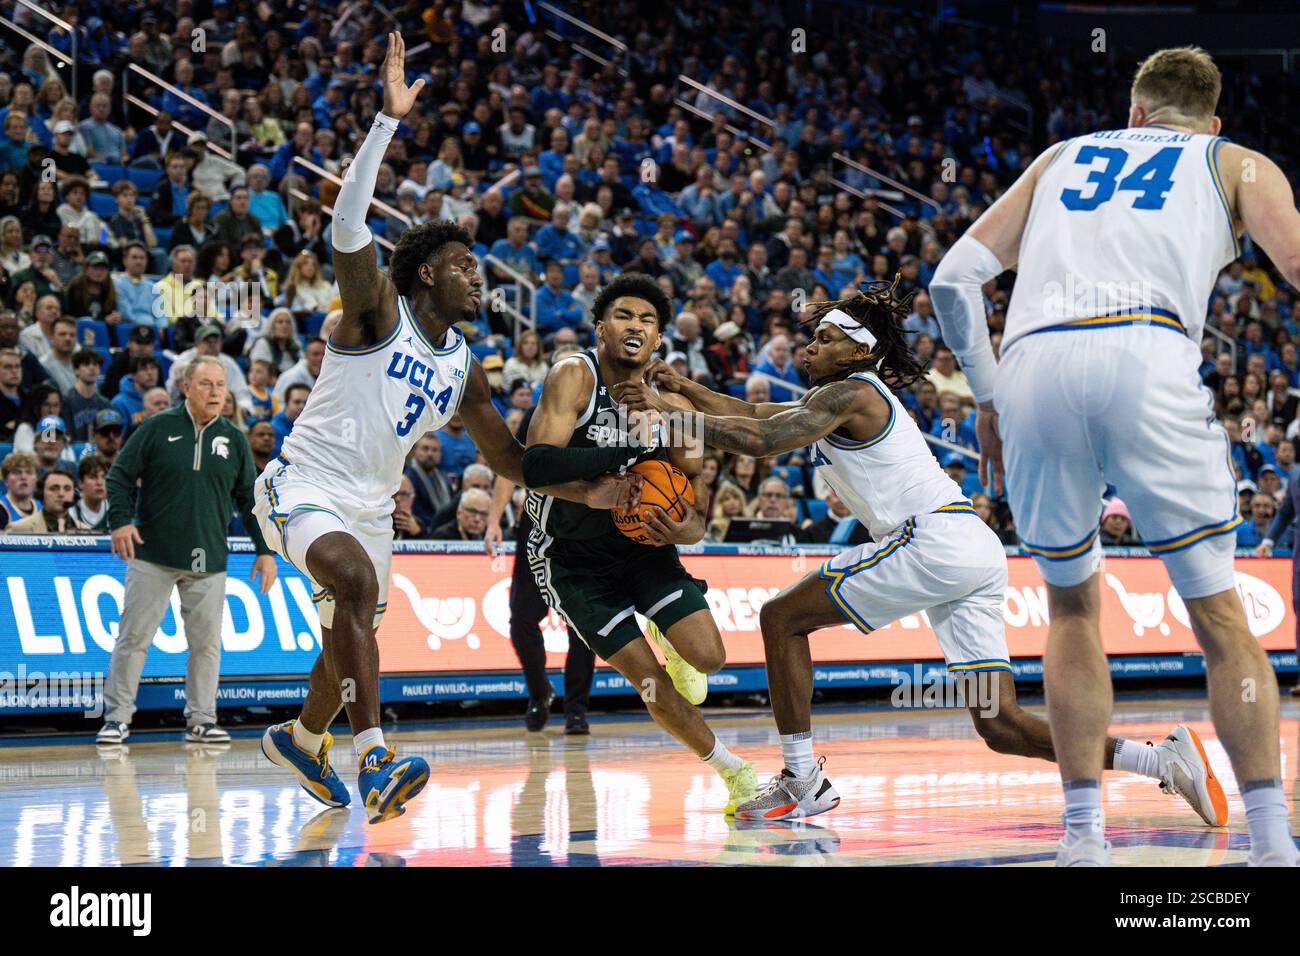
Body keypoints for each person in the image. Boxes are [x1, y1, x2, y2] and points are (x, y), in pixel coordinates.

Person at [615, 276, 1218, 829]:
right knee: (1001, 725)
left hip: (930, 541)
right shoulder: (836, 398)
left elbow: (765, 439)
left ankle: (801, 779)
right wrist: (686, 388)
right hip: (972, 550)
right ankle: (1159, 760)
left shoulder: (850, 393)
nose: (809, 348)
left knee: (780, 619)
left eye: (824, 339)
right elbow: (753, 413)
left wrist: (671, 411)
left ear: (856, 351)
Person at [930, 47, 1300, 866]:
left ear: (1133, 114)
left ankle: (1083, 838)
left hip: (1033, 367)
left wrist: (986, 398)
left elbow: (953, 280)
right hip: (1146, 352)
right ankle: (1272, 842)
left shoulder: (1062, 155)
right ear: (1210, 120)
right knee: (1222, 622)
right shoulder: (1232, 159)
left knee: (1071, 610)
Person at [252, 34, 630, 826]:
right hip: (302, 486)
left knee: (344, 637)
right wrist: (387, 124)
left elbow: (514, 460)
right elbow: (347, 224)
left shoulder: (465, 366)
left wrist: (595, 483)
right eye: (464, 266)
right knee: (353, 589)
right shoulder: (375, 312)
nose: (478, 276)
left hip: (369, 507)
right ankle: (376, 760)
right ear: (426, 272)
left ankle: (300, 736)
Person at [522, 271, 759, 813]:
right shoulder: (573, 375)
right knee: (648, 681)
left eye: (647, 320)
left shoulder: (676, 397)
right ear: (600, 328)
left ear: (658, 340)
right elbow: (535, 466)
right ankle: (735, 773)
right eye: (624, 315)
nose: (635, 325)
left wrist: (685, 530)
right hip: (571, 557)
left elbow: (695, 501)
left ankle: (667, 627)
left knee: (711, 659)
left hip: (645, 545)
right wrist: (600, 481)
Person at [98, 355, 276, 746]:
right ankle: (116, 719)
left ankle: (201, 720)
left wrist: (265, 549)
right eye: (206, 384)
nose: (215, 392)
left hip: (209, 559)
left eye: (221, 385)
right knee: (133, 638)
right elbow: (118, 476)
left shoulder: (233, 439)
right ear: (186, 387)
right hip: (153, 555)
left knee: (206, 645)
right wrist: (121, 521)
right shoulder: (156, 428)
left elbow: (249, 500)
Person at [6, 467, 78, 533]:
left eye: (67, 489)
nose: (61, 494)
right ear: (41, 493)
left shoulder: (86, 530)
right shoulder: (18, 529)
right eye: (54, 489)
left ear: (74, 494)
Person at [70, 453, 110, 531]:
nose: (99, 482)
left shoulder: (114, 510)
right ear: (81, 483)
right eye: (93, 477)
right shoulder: (71, 512)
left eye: (104, 477)